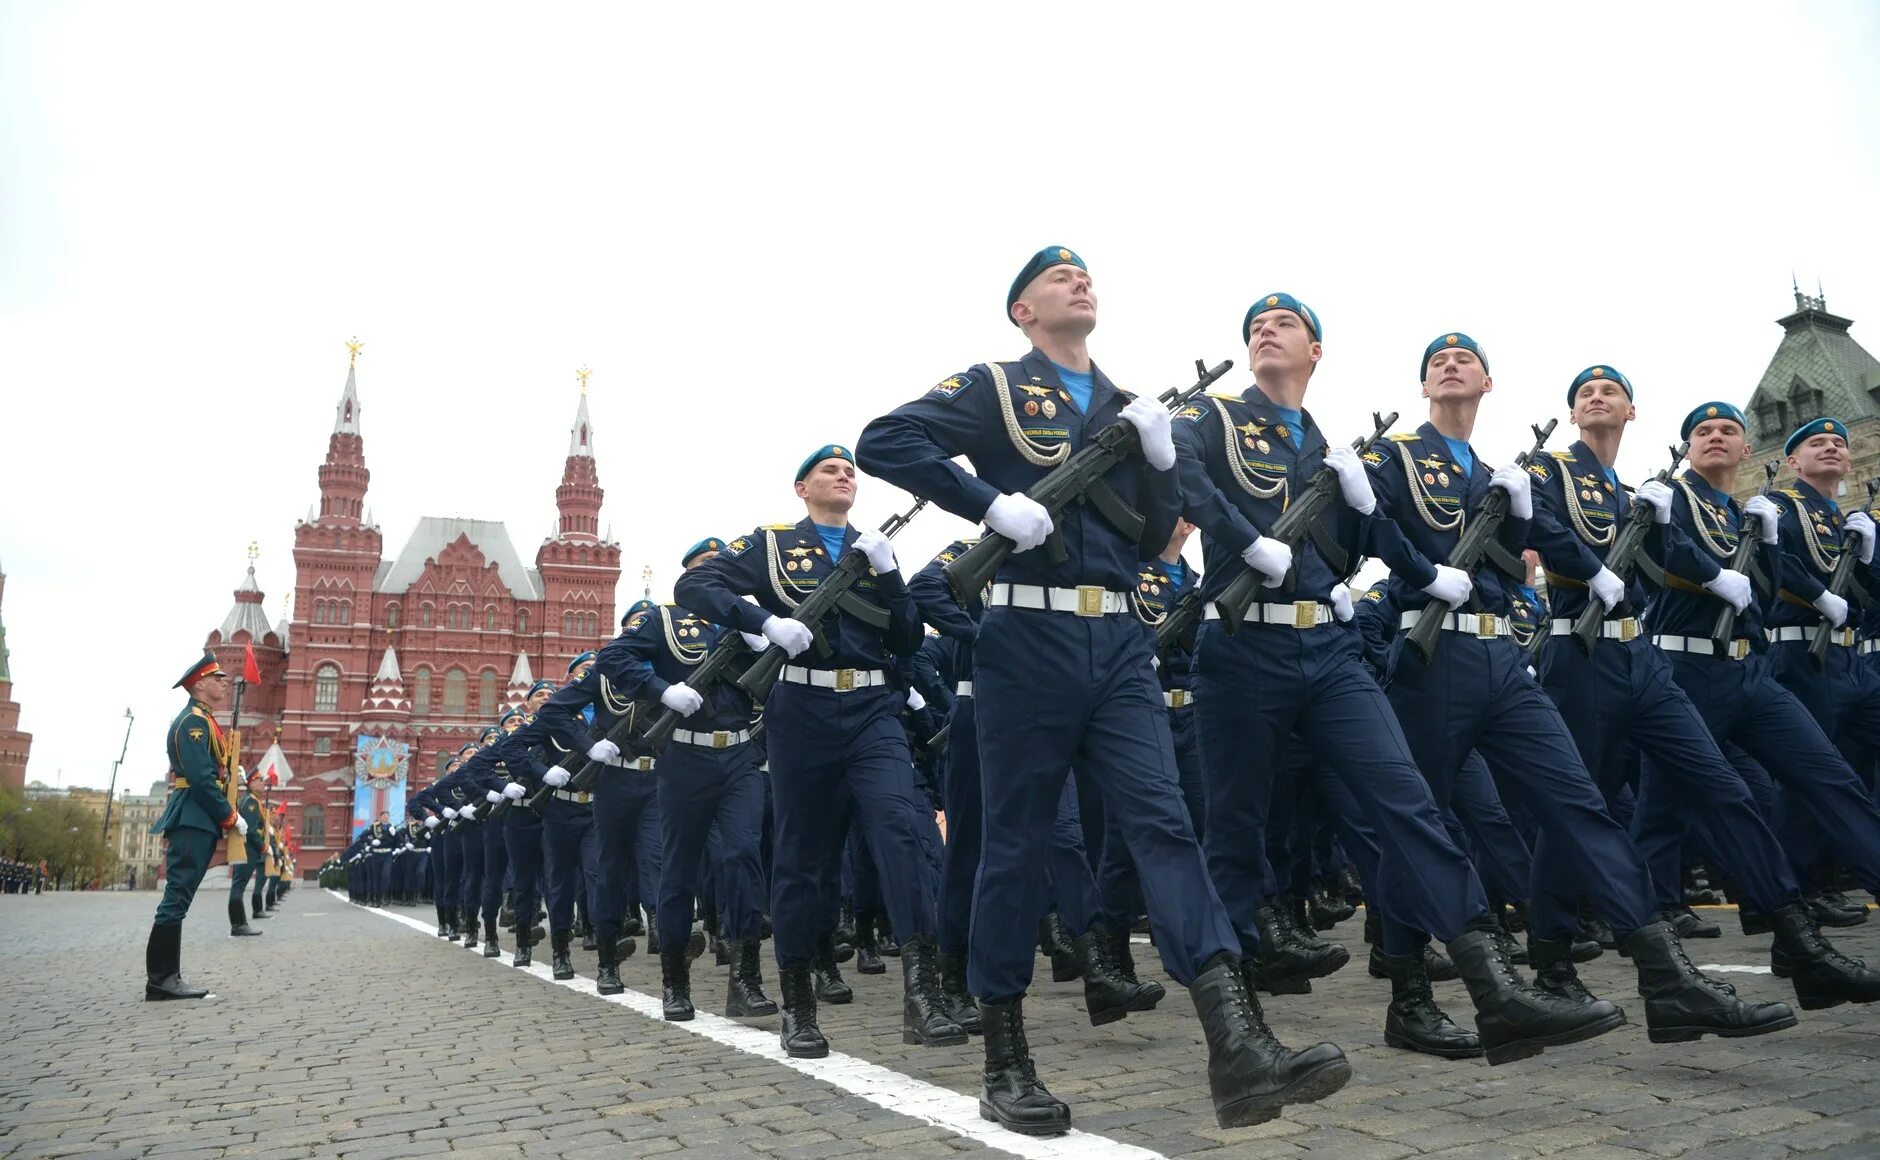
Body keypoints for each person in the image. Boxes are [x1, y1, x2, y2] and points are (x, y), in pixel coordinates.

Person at [858, 248, 1348, 1134]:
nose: (1079, 281)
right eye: (1057, 277)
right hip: (1026, 634)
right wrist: (984, 503)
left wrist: (1161, 459)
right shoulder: (997, 386)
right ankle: (1006, 1058)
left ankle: (1237, 1043)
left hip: (1119, 636)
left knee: (1164, 825)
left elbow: (1158, 532)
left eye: (1085, 274)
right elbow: (884, 440)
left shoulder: (1128, 409)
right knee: (1015, 843)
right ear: (1022, 311)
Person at [1364, 332, 1794, 1045]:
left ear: (1489, 383)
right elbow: (1367, 529)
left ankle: (1666, 978)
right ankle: (1408, 994)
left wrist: (1575, 554)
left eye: (1464, 358)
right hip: (1433, 660)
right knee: (1423, 822)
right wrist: (1418, 566)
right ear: (1422, 388)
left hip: (1501, 658)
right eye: (1436, 361)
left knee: (1580, 804)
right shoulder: (1394, 458)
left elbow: (1541, 549)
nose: (1449, 364)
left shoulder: (1500, 474)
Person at [676, 443, 962, 1061]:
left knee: (902, 833)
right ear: (802, 488)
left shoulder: (872, 550)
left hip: (873, 712)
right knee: (804, 858)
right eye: (829, 470)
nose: (844, 475)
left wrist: (889, 576)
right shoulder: (774, 545)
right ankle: (799, 1007)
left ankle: (924, 994)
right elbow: (694, 583)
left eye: (850, 470)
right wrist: (761, 621)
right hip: (801, 712)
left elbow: (908, 637)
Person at [1622, 401, 1880, 1005]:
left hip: (1748, 669)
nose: (1715, 437)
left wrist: (1764, 546)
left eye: (1728, 431)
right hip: (1685, 668)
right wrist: (1705, 568)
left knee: (1830, 778)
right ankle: (1650, 927)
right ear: (1688, 447)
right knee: (1672, 805)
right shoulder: (1667, 497)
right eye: (1702, 431)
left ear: (1747, 452)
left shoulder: (1748, 512)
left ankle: (1794, 931)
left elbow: (1767, 589)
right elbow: (1653, 563)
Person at [600, 535, 773, 1021]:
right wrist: (662, 689)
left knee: (741, 855)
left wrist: (768, 641)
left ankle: (745, 980)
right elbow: (614, 659)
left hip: (740, 757)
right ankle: (675, 982)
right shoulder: (666, 620)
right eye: (706, 566)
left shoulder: (754, 621)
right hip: (685, 760)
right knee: (678, 868)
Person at [146, 652, 248, 1000]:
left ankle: (167, 977)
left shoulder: (204, 721)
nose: (224, 682)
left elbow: (210, 771)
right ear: (199, 684)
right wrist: (230, 815)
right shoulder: (194, 722)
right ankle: (161, 980)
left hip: (197, 816)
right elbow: (202, 779)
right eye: (217, 678)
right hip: (193, 816)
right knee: (176, 897)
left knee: (180, 897)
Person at [230, 769, 266, 936]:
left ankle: (240, 923)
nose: (263, 784)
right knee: (238, 886)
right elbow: (252, 830)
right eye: (259, 781)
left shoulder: (252, 801)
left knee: (239, 886)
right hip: (247, 849)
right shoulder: (251, 802)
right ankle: (238, 924)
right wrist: (262, 846)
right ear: (251, 783)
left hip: (247, 849)